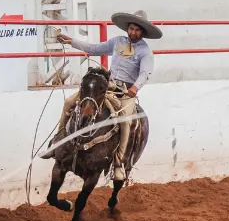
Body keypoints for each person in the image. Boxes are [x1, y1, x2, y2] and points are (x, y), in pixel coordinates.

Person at [45, 10, 160, 181]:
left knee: (126, 121)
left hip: (125, 92)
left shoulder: (145, 52)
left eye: (137, 30)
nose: (133, 32)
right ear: (128, 28)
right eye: (131, 28)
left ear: (142, 32)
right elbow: (93, 48)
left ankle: (119, 162)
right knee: (70, 102)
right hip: (108, 85)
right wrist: (71, 42)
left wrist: (135, 88)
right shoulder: (117, 42)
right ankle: (59, 140)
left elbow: (145, 73)